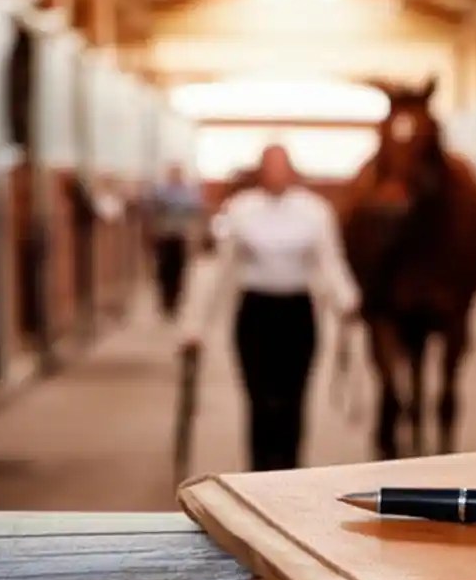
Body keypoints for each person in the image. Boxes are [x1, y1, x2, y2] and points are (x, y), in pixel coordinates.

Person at [179, 145, 360, 472]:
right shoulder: (240, 210)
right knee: (259, 399)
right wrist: (195, 326)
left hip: (297, 313)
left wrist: (346, 301)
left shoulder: (315, 211)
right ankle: (259, 468)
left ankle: (290, 467)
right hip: (255, 313)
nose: (276, 174)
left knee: (294, 398)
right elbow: (219, 270)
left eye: (281, 166)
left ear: (292, 171)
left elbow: (330, 261)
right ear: (260, 171)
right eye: (270, 166)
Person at [147, 163, 204, 320]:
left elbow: (195, 211)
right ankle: (165, 300)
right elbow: (151, 209)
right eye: (173, 173)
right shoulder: (160, 190)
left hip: (180, 236)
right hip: (163, 235)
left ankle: (175, 301)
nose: (175, 176)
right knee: (163, 270)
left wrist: (195, 235)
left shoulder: (188, 192)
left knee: (179, 269)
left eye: (177, 173)